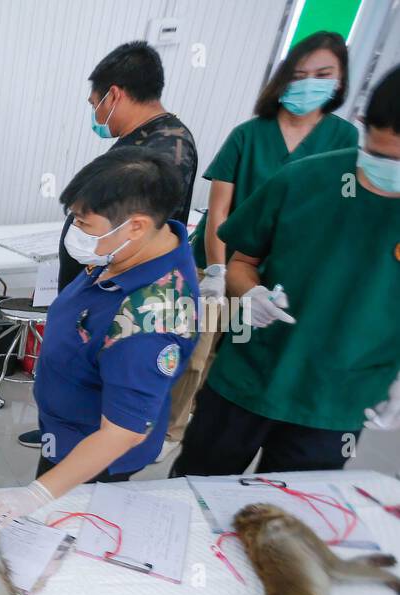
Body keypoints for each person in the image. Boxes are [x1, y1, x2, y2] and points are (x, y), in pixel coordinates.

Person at [171, 64, 400, 477]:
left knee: (288, 518)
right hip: (249, 380)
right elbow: (241, 263)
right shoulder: (305, 179)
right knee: (194, 491)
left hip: (336, 401)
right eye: (379, 156)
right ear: (363, 127)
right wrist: (250, 293)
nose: (386, 174)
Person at [0, 148, 199, 529]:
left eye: (84, 223)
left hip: (93, 461)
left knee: (64, 538)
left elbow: (121, 433)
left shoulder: (150, 321)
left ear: (136, 226)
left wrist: (37, 495)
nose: (74, 233)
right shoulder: (124, 255)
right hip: (64, 433)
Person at [163, 31, 356, 457]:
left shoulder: (346, 142)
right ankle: (171, 431)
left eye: (323, 74)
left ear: (340, 81)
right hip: (217, 263)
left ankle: (211, 419)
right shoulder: (248, 135)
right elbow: (219, 215)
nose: (310, 83)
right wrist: (216, 271)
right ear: (282, 78)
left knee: (240, 356)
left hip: (283, 278)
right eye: (300, 73)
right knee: (195, 354)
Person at [18, 40, 197, 450]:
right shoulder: (142, 139)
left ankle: (77, 440)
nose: (95, 114)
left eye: (94, 103)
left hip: (113, 298)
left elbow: (141, 236)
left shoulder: (167, 148)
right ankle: (59, 427)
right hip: (95, 287)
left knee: (104, 402)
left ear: (114, 95)